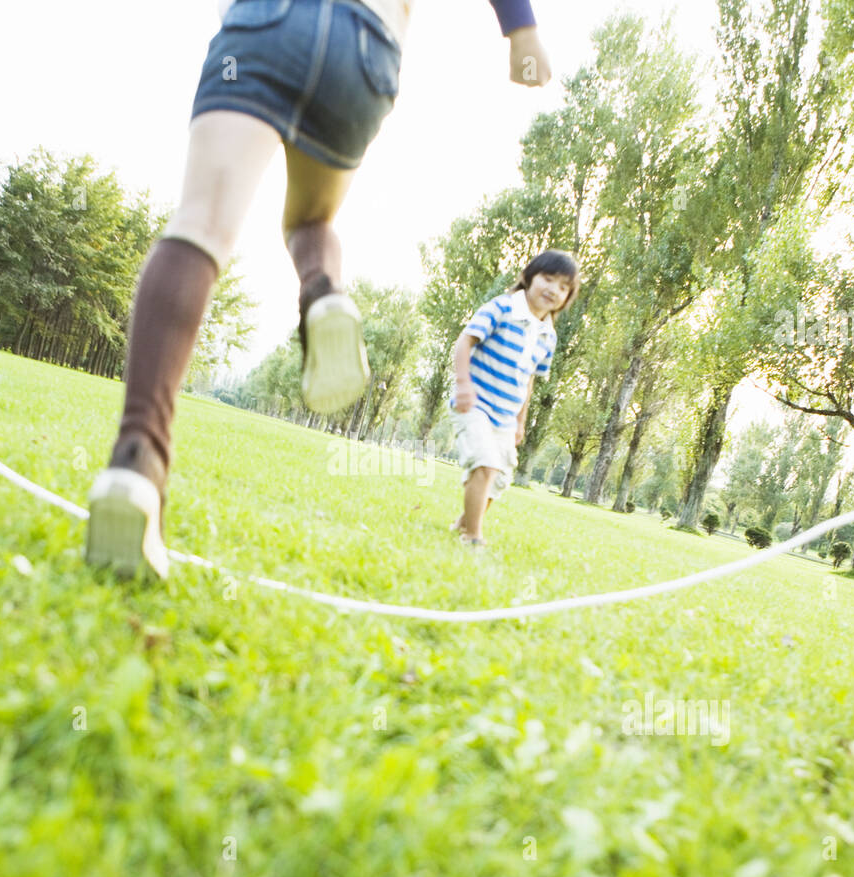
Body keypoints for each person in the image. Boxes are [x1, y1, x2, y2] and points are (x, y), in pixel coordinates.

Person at [86, 0, 553, 578]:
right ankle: (323, 288)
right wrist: (520, 30)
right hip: (366, 46)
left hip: (267, 23)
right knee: (310, 220)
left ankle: (138, 460)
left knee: (202, 223)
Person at [448, 249, 580, 546]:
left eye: (563, 287)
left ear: (567, 297)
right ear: (529, 276)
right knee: (485, 464)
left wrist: (521, 421)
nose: (553, 290)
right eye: (548, 279)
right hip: (475, 404)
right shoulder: (503, 307)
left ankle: (463, 523)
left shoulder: (548, 335)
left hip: (506, 417)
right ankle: (473, 537)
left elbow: (528, 379)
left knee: (498, 478)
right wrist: (463, 383)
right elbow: (465, 340)